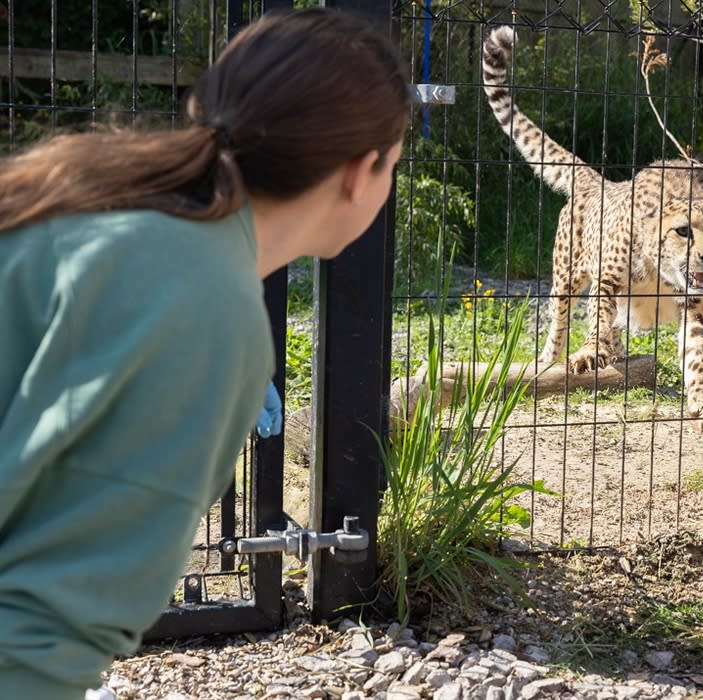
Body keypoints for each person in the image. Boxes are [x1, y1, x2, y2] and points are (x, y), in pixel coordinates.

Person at [0, 7, 409, 697]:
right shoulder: (207, 307)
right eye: (395, 165)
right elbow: (40, 636)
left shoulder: (88, 209)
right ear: (361, 172)